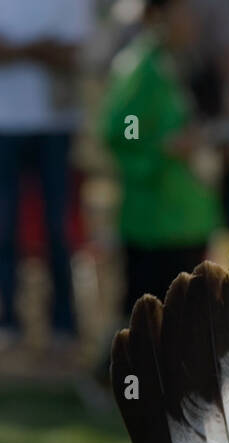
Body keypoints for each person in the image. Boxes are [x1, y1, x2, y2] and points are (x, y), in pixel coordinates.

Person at [100, 0, 221, 316]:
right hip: (154, 226)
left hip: (188, 220)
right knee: (147, 328)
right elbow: (122, 134)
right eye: (182, 11)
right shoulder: (139, 70)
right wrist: (161, 148)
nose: (191, 20)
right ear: (158, 16)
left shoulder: (179, 63)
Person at [0, 0, 92, 346]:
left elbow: (73, 55)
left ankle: (63, 323)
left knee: (59, 226)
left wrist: (17, 48)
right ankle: (7, 320)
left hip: (56, 126)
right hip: (5, 126)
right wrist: (42, 48)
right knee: (4, 225)